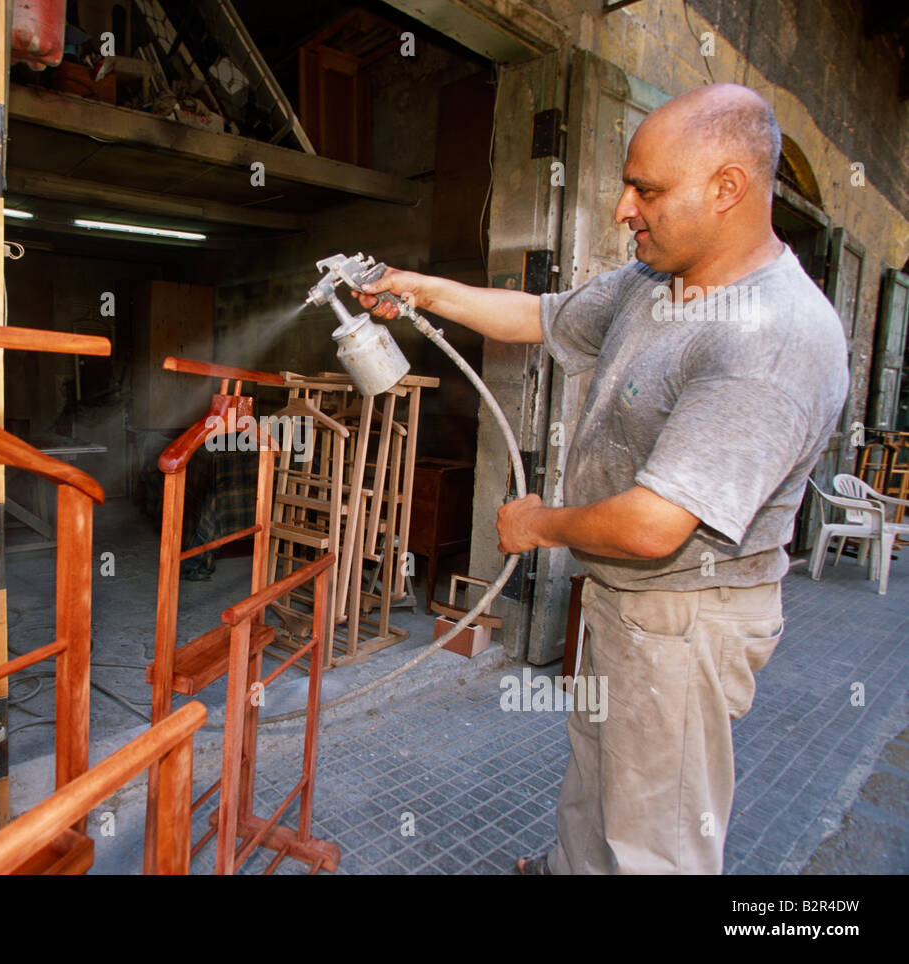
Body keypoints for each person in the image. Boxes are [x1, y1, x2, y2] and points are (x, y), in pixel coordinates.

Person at [353, 83, 849, 874]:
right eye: (627, 185)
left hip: (686, 617)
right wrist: (424, 292)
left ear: (727, 189)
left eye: (646, 190)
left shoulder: (775, 340)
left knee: (655, 835)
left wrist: (538, 526)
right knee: (600, 774)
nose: (624, 209)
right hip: (625, 600)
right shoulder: (660, 278)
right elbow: (542, 318)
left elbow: (655, 525)